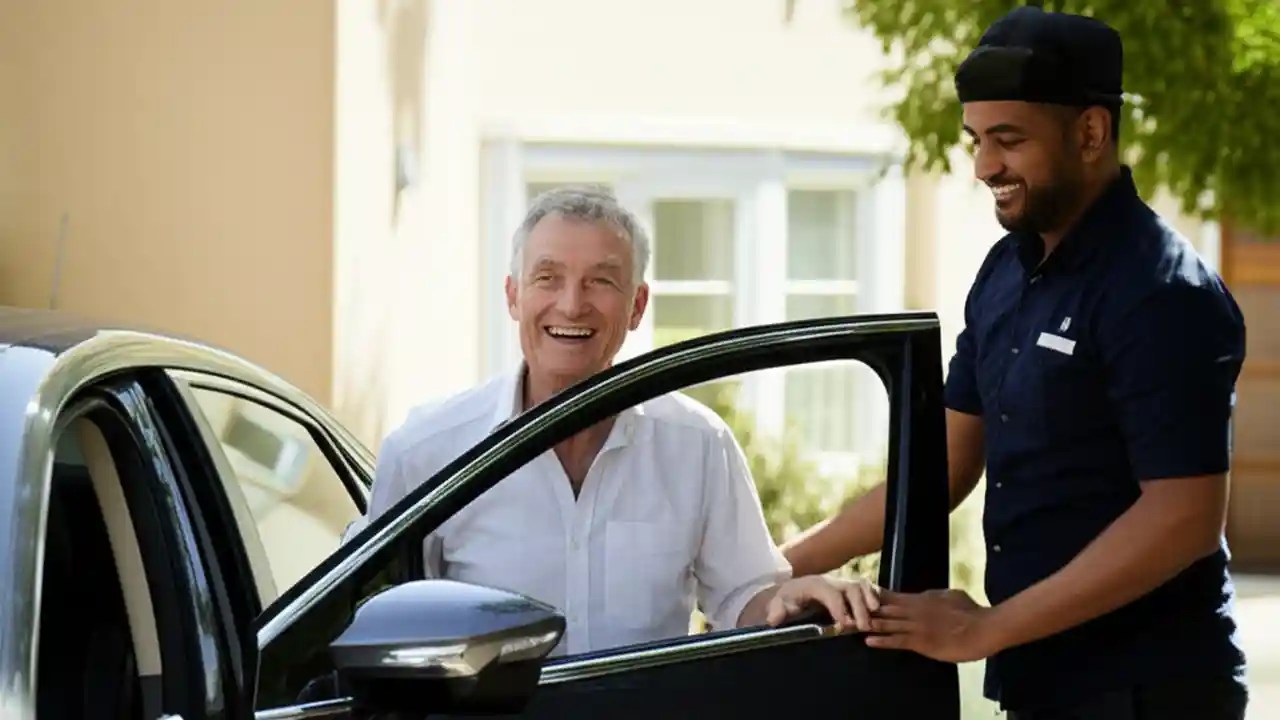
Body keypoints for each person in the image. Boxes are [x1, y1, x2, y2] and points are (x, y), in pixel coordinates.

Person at [781, 7, 1249, 719]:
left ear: (1091, 132)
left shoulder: (1159, 290)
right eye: (976, 139)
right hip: (1041, 681)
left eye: (1008, 140)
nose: (982, 166)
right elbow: (944, 466)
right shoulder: (1005, 272)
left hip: (1153, 691)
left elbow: (1183, 515)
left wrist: (986, 628)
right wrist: (784, 564)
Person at [364, 185, 872, 657]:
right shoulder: (427, 453)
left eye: (600, 281)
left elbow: (743, 600)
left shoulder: (698, 446)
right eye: (548, 278)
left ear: (637, 305)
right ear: (513, 296)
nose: (572, 304)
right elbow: (373, 628)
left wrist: (790, 597)